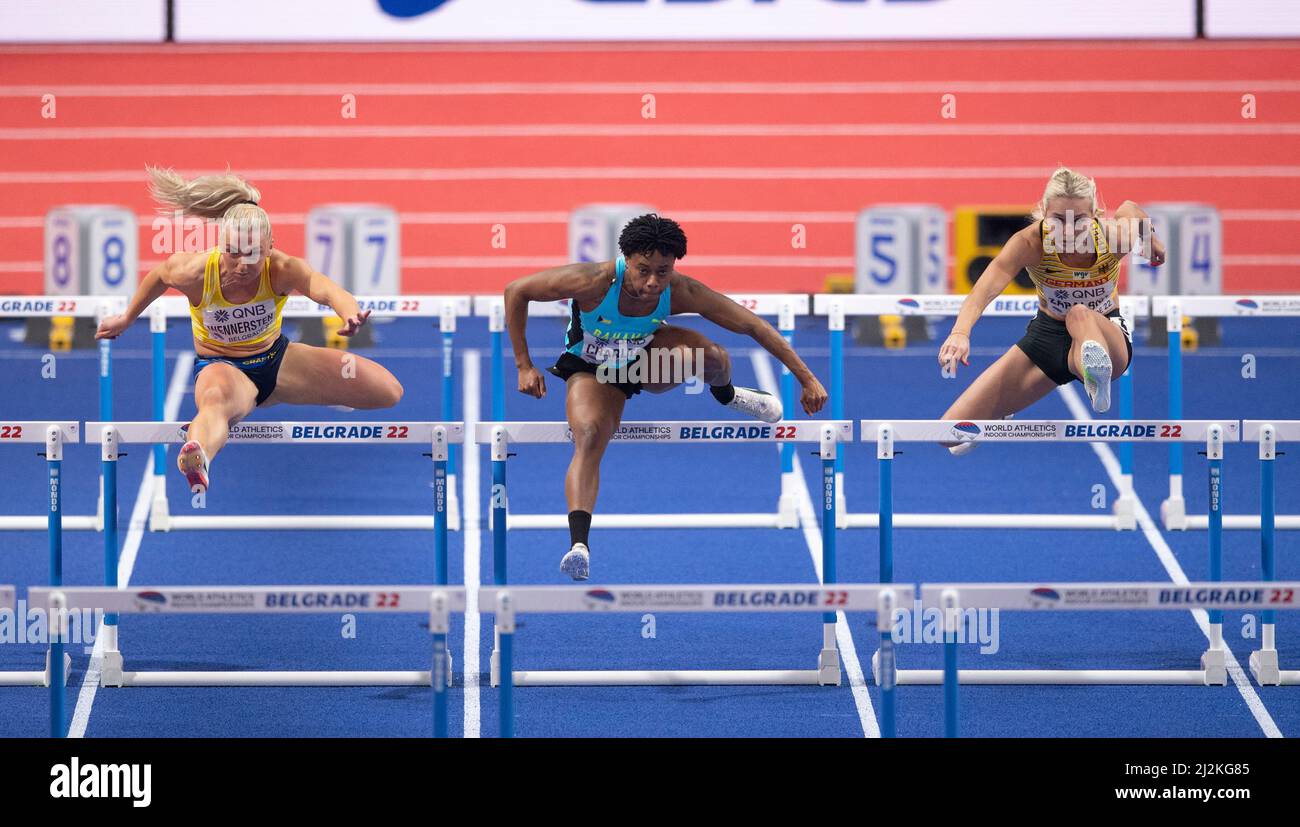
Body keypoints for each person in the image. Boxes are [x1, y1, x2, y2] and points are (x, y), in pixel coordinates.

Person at [504, 214, 829, 580]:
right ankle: (579, 545)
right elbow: (517, 290)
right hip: (595, 369)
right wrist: (523, 365)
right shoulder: (592, 281)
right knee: (591, 436)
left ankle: (728, 395)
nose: (653, 282)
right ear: (625, 258)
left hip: (647, 359)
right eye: (643, 270)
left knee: (716, 357)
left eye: (663, 271)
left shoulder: (679, 290)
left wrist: (808, 378)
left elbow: (752, 324)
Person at [95, 168, 403, 490]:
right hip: (223, 368)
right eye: (233, 252)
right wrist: (127, 318)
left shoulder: (282, 269)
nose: (242, 264)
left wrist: (348, 311)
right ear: (220, 246)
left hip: (278, 360)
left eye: (253, 253)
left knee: (387, 391)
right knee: (216, 402)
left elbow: (324, 288)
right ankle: (198, 456)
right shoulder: (195, 271)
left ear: (270, 246)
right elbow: (158, 277)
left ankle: (317, 393)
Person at [937, 166, 1166, 454]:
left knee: (1079, 314)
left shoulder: (1114, 238)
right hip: (1047, 339)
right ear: (1044, 212)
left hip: (1106, 337)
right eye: (1059, 219)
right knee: (949, 433)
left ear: (1095, 215)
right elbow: (983, 290)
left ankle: (1096, 376)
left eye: (1079, 220)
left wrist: (1151, 238)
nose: (1069, 230)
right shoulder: (1029, 243)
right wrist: (960, 332)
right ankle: (1005, 409)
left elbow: (1131, 209)